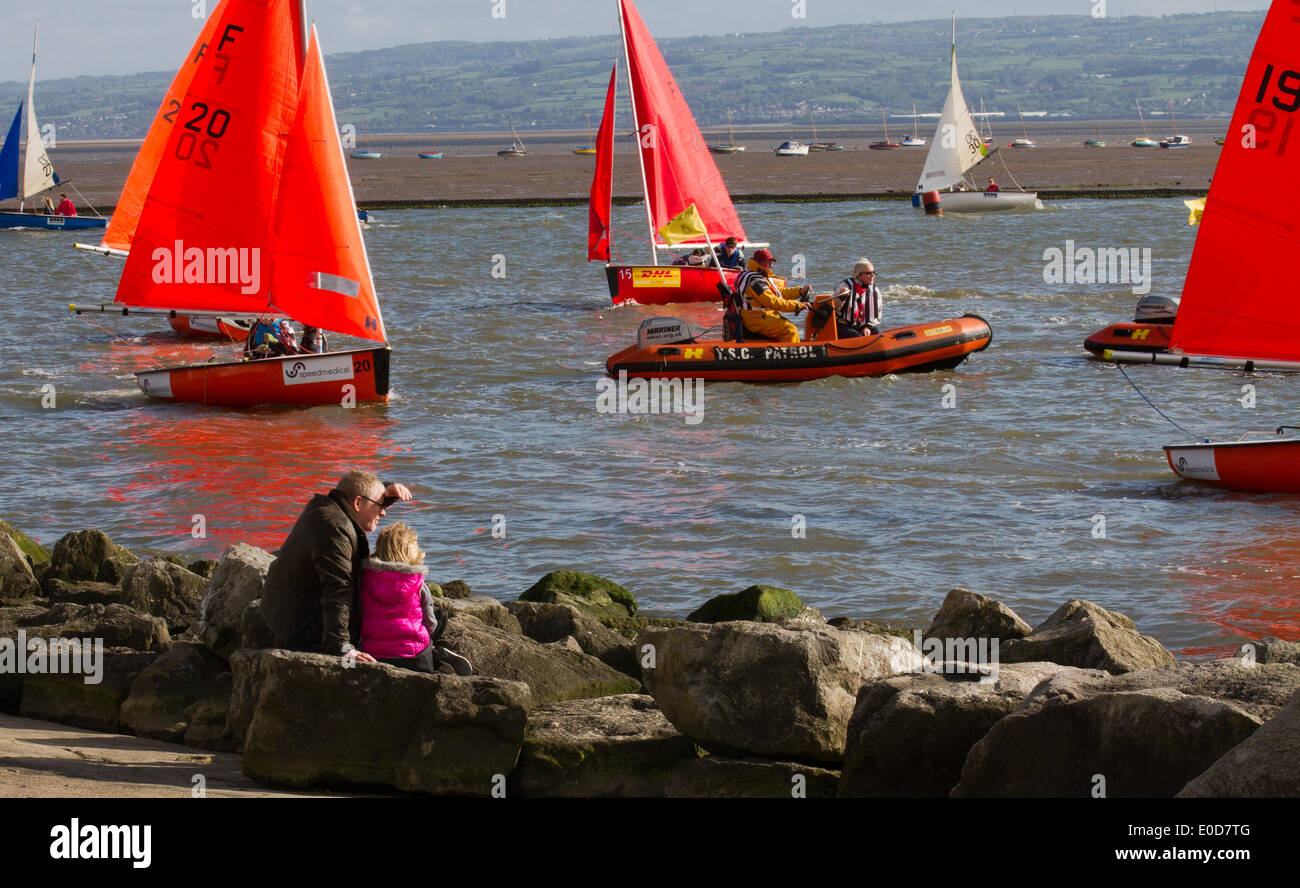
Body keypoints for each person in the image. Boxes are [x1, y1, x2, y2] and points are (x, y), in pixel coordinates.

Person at [261, 470, 413, 661]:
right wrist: (343, 648)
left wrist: (386, 493)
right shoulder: (335, 530)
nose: (382, 512)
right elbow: (338, 591)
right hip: (298, 631)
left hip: (281, 612)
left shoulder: (326, 509)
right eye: (380, 505)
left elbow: (358, 491)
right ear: (357, 503)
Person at [359, 521, 472, 675]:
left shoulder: (365, 581)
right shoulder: (418, 584)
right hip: (415, 659)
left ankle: (436, 653)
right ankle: (436, 653)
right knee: (441, 617)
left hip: (375, 655)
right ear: (413, 553)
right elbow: (430, 624)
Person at [732, 248, 811, 343]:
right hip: (755, 319)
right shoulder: (755, 281)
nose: (771, 265)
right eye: (768, 262)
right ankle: (791, 356)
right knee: (790, 330)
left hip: (761, 315)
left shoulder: (757, 275)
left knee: (789, 327)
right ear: (759, 262)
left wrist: (799, 291)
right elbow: (771, 301)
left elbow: (777, 293)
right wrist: (797, 306)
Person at [832, 258, 882, 338]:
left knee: (877, 334)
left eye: (873, 272)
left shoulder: (875, 290)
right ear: (859, 275)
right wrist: (841, 298)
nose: (872, 275)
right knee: (856, 337)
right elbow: (834, 308)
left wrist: (867, 327)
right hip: (842, 325)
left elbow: (877, 314)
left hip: (862, 325)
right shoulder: (844, 286)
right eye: (869, 273)